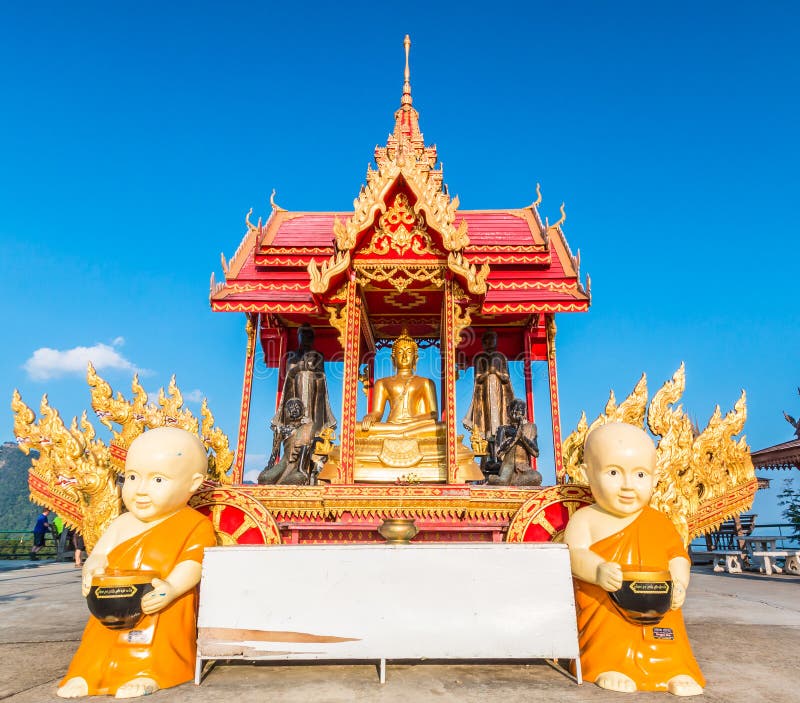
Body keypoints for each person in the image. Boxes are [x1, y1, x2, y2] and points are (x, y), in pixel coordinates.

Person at [57, 427, 217, 699]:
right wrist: (91, 567)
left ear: (193, 483)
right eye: (131, 477)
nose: (140, 490)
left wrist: (172, 588)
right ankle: (89, 674)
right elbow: (99, 554)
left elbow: (194, 562)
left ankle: (150, 673)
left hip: (160, 602)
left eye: (157, 480)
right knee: (98, 641)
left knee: (154, 641)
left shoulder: (194, 524)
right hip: (112, 600)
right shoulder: (122, 523)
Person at [563, 422, 704, 695]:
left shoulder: (659, 521)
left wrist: (679, 583)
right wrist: (598, 570)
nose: (628, 486)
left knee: (667, 634)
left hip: (657, 602)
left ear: (654, 478)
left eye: (640, 475)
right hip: (606, 604)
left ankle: (674, 671)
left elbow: (677, 556)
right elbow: (573, 554)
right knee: (610, 633)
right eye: (613, 472)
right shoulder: (586, 519)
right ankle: (610, 664)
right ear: (587, 474)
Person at [360, 329, 442, 439]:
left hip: (415, 425)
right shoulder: (382, 383)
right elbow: (377, 412)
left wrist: (413, 421)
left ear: (415, 358)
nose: (404, 356)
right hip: (392, 425)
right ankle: (401, 432)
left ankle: (401, 432)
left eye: (408, 352)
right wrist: (370, 417)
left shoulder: (425, 382)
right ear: (393, 359)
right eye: (400, 352)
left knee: (442, 427)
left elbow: (434, 414)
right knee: (359, 427)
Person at [463, 330, 514, 450]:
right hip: (485, 393)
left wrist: (496, 373)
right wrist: (488, 373)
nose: (490, 343)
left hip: (499, 393)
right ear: (483, 343)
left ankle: (499, 442)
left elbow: (506, 378)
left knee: (500, 419)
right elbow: (478, 378)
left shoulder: (501, 357)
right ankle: (489, 443)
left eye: (492, 340)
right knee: (487, 421)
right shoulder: (480, 358)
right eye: (487, 340)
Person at [486, 399, 542, 486]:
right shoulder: (503, 429)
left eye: (521, 411)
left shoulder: (531, 427)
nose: (519, 414)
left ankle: (506, 482)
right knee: (504, 479)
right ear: (509, 412)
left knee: (537, 477)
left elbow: (536, 453)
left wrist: (522, 437)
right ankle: (500, 480)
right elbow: (498, 453)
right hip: (507, 468)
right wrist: (515, 437)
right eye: (516, 410)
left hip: (524, 469)